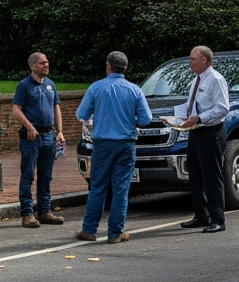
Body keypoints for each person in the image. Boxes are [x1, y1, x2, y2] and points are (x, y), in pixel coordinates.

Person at [75, 51, 152, 243]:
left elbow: (81, 114)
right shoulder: (134, 89)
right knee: (121, 188)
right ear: (125, 68)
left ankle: (89, 230)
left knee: (98, 187)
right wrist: (129, 119)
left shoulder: (96, 87)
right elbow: (146, 119)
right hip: (126, 144)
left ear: (108, 66)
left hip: (102, 144)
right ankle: (115, 233)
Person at [178, 45, 231, 233]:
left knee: (211, 176)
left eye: (193, 59)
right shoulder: (196, 80)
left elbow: (223, 107)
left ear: (204, 60)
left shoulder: (215, 79)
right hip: (196, 131)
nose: (189, 62)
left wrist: (200, 117)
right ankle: (201, 215)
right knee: (195, 175)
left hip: (211, 131)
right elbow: (195, 104)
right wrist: (184, 115)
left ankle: (217, 219)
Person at [12, 52, 66, 228]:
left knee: (46, 176)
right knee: (28, 175)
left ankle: (45, 211)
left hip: (49, 135)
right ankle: (27, 213)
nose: (46, 65)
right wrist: (29, 127)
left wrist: (59, 132)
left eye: (47, 62)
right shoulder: (24, 86)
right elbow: (16, 110)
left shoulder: (51, 85)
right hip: (31, 138)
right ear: (32, 65)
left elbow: (56, 107)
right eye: (42, 63)